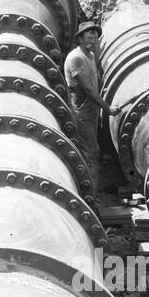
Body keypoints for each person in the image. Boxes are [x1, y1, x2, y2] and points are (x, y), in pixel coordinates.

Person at [63, 20, 120, 196]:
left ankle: (91, 193)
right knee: (90, 152)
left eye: (95, 36)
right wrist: (107, 108)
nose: (94, 39)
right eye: (89, 35)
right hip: (81, 110)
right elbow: (87, 89)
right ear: (80, 39)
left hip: (91, 110)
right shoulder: (76, 57)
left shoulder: (90, 55)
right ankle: (88, 197)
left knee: (92, 151)